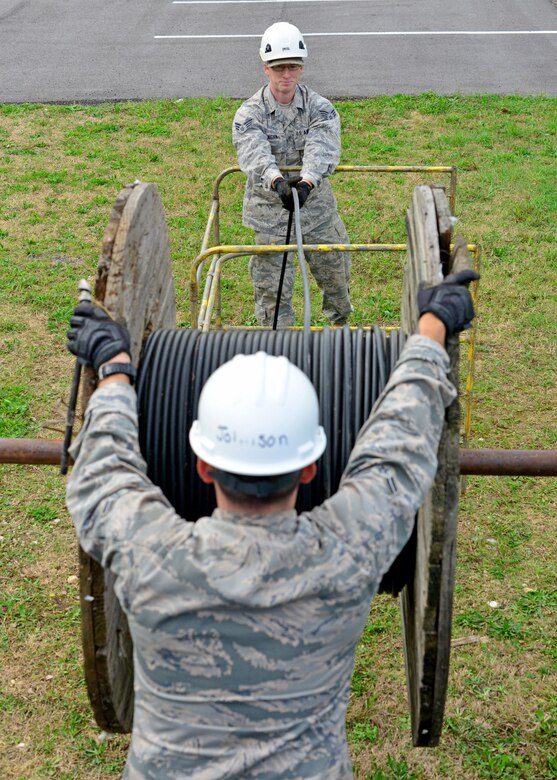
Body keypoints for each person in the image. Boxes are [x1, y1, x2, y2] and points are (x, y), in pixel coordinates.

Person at [65, 270, 478, 779]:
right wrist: (433, 328)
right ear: (311, 469)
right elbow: (399, 448)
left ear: (200, 465)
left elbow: (103, 476)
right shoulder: (351, 548)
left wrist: (114, 370)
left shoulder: (148, 552)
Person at [232, 22, 352, 328]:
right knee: (273, 298)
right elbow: (253, 152)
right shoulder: (249, 114)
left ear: (301, 68)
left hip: (317, 215)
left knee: (337, 284)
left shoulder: (320, 108)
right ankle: (280, 353)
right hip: (270, 218)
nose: (286, 75)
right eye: (279, 67)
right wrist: (277, 182)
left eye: (293, 67)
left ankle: (339, 346)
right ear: (266, 69)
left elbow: (322, 147)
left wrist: (307, 183)